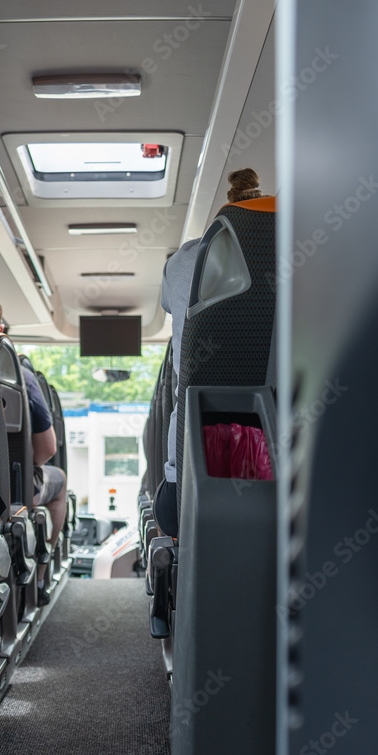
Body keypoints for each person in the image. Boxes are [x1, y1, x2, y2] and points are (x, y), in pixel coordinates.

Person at [154, 168, 264, 537]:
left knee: (170, 515)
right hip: (295, 479)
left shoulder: (186, 260)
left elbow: (169, 305)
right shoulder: (311, 254)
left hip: (192, 482)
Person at [0, 291, 68, 590]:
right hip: (11, 490)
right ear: (0, 329)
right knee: (59, 479)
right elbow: (46, 450)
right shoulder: (18, 374)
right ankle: (41, 574)